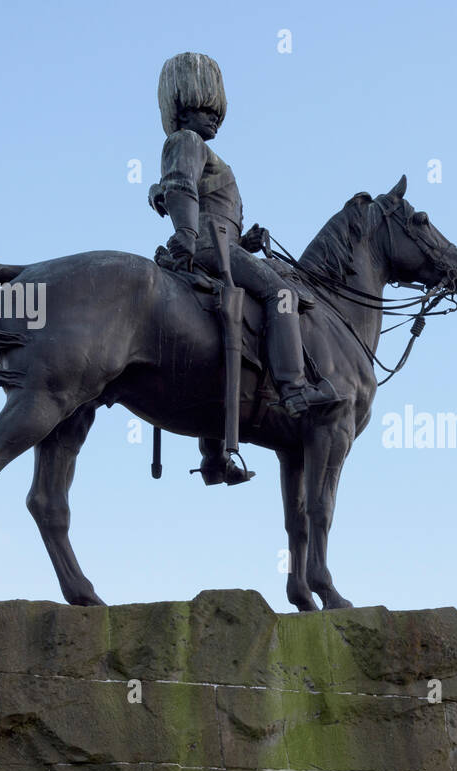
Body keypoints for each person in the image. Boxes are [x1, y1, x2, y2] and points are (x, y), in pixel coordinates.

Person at [149, 52, 343, 485]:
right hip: (207, 247)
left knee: (229, 330)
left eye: (216, 111)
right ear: (183, 108)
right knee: (282, 294)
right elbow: (180, 187)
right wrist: (184, 235)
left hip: (222, 245)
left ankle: (215, 457)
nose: (213, 119)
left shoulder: (203, 150)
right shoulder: (188, 142)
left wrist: (245, 240)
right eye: (204, 109)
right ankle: (294, 389)